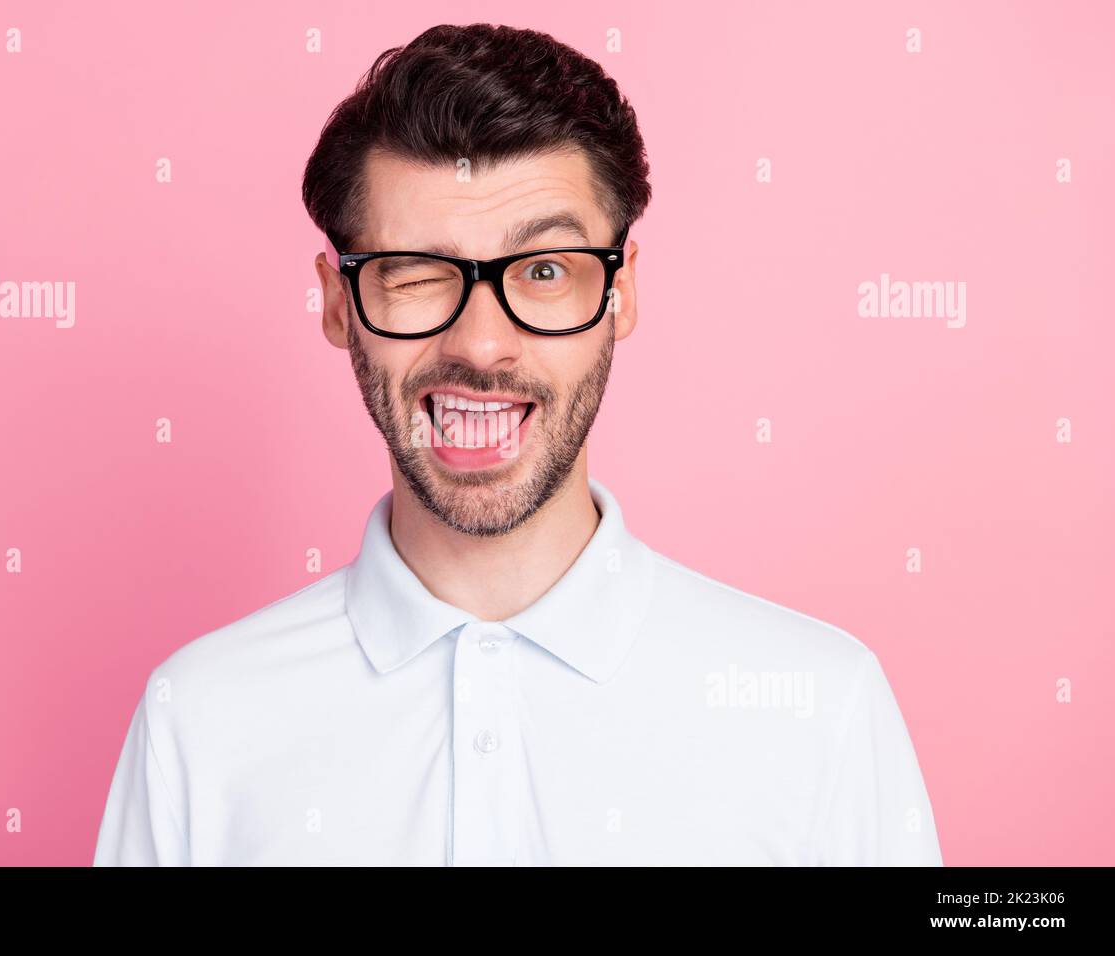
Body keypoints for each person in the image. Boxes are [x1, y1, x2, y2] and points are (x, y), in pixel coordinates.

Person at [93, 22, 942, 866]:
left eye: (543, 271)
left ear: (622, 292)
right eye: (418, 271)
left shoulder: (820, 711)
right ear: (337, 303)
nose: (482, 346)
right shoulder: (199, 723)